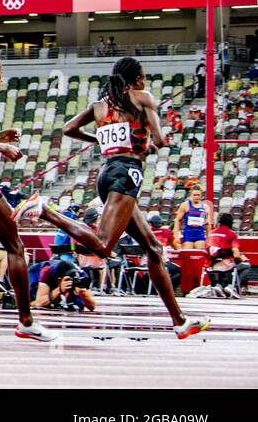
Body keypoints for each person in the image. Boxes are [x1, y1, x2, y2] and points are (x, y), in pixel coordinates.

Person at [14, 56, 209, 338]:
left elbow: (68, 128)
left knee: (153, 249)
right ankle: (45, 210)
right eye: (143, 77)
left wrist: (99, 139)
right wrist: (149, 144)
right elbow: (160, 138)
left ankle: (179, 321)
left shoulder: (100, 105)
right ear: (138, 78)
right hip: (127, 173)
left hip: (107, 172)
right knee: (104, 247)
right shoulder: (142, 97)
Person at [173, 187, 212, 251]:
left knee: (199, 255)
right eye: (194, 195)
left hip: (200, 235)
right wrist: (176, 235)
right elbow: (178, 220)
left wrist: (209, 237)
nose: (196, 197)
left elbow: (208, 224)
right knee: (188, 254)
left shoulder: (205, 207)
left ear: (201, 195)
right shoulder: (185, 205)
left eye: (198, 195)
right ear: (191, 195)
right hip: (188, 235)